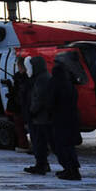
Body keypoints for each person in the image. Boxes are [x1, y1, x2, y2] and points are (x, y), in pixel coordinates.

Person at [49, 52, 83, 181]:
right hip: (71, 118)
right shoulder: (70, 84)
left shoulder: (55, 83)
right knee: (69, 145)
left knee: (62, 145)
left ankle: (70, 170)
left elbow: (51, 101)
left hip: (60, 118)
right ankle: (72, 169)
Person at [25, 57, 53, 175]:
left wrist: (32, 110)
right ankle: (42, 163)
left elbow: (39, 98)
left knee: (39, 141)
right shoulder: (43, 78)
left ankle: (41, 165)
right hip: (43, 117)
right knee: (40, 141)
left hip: (40, 117)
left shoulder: (41, 80)